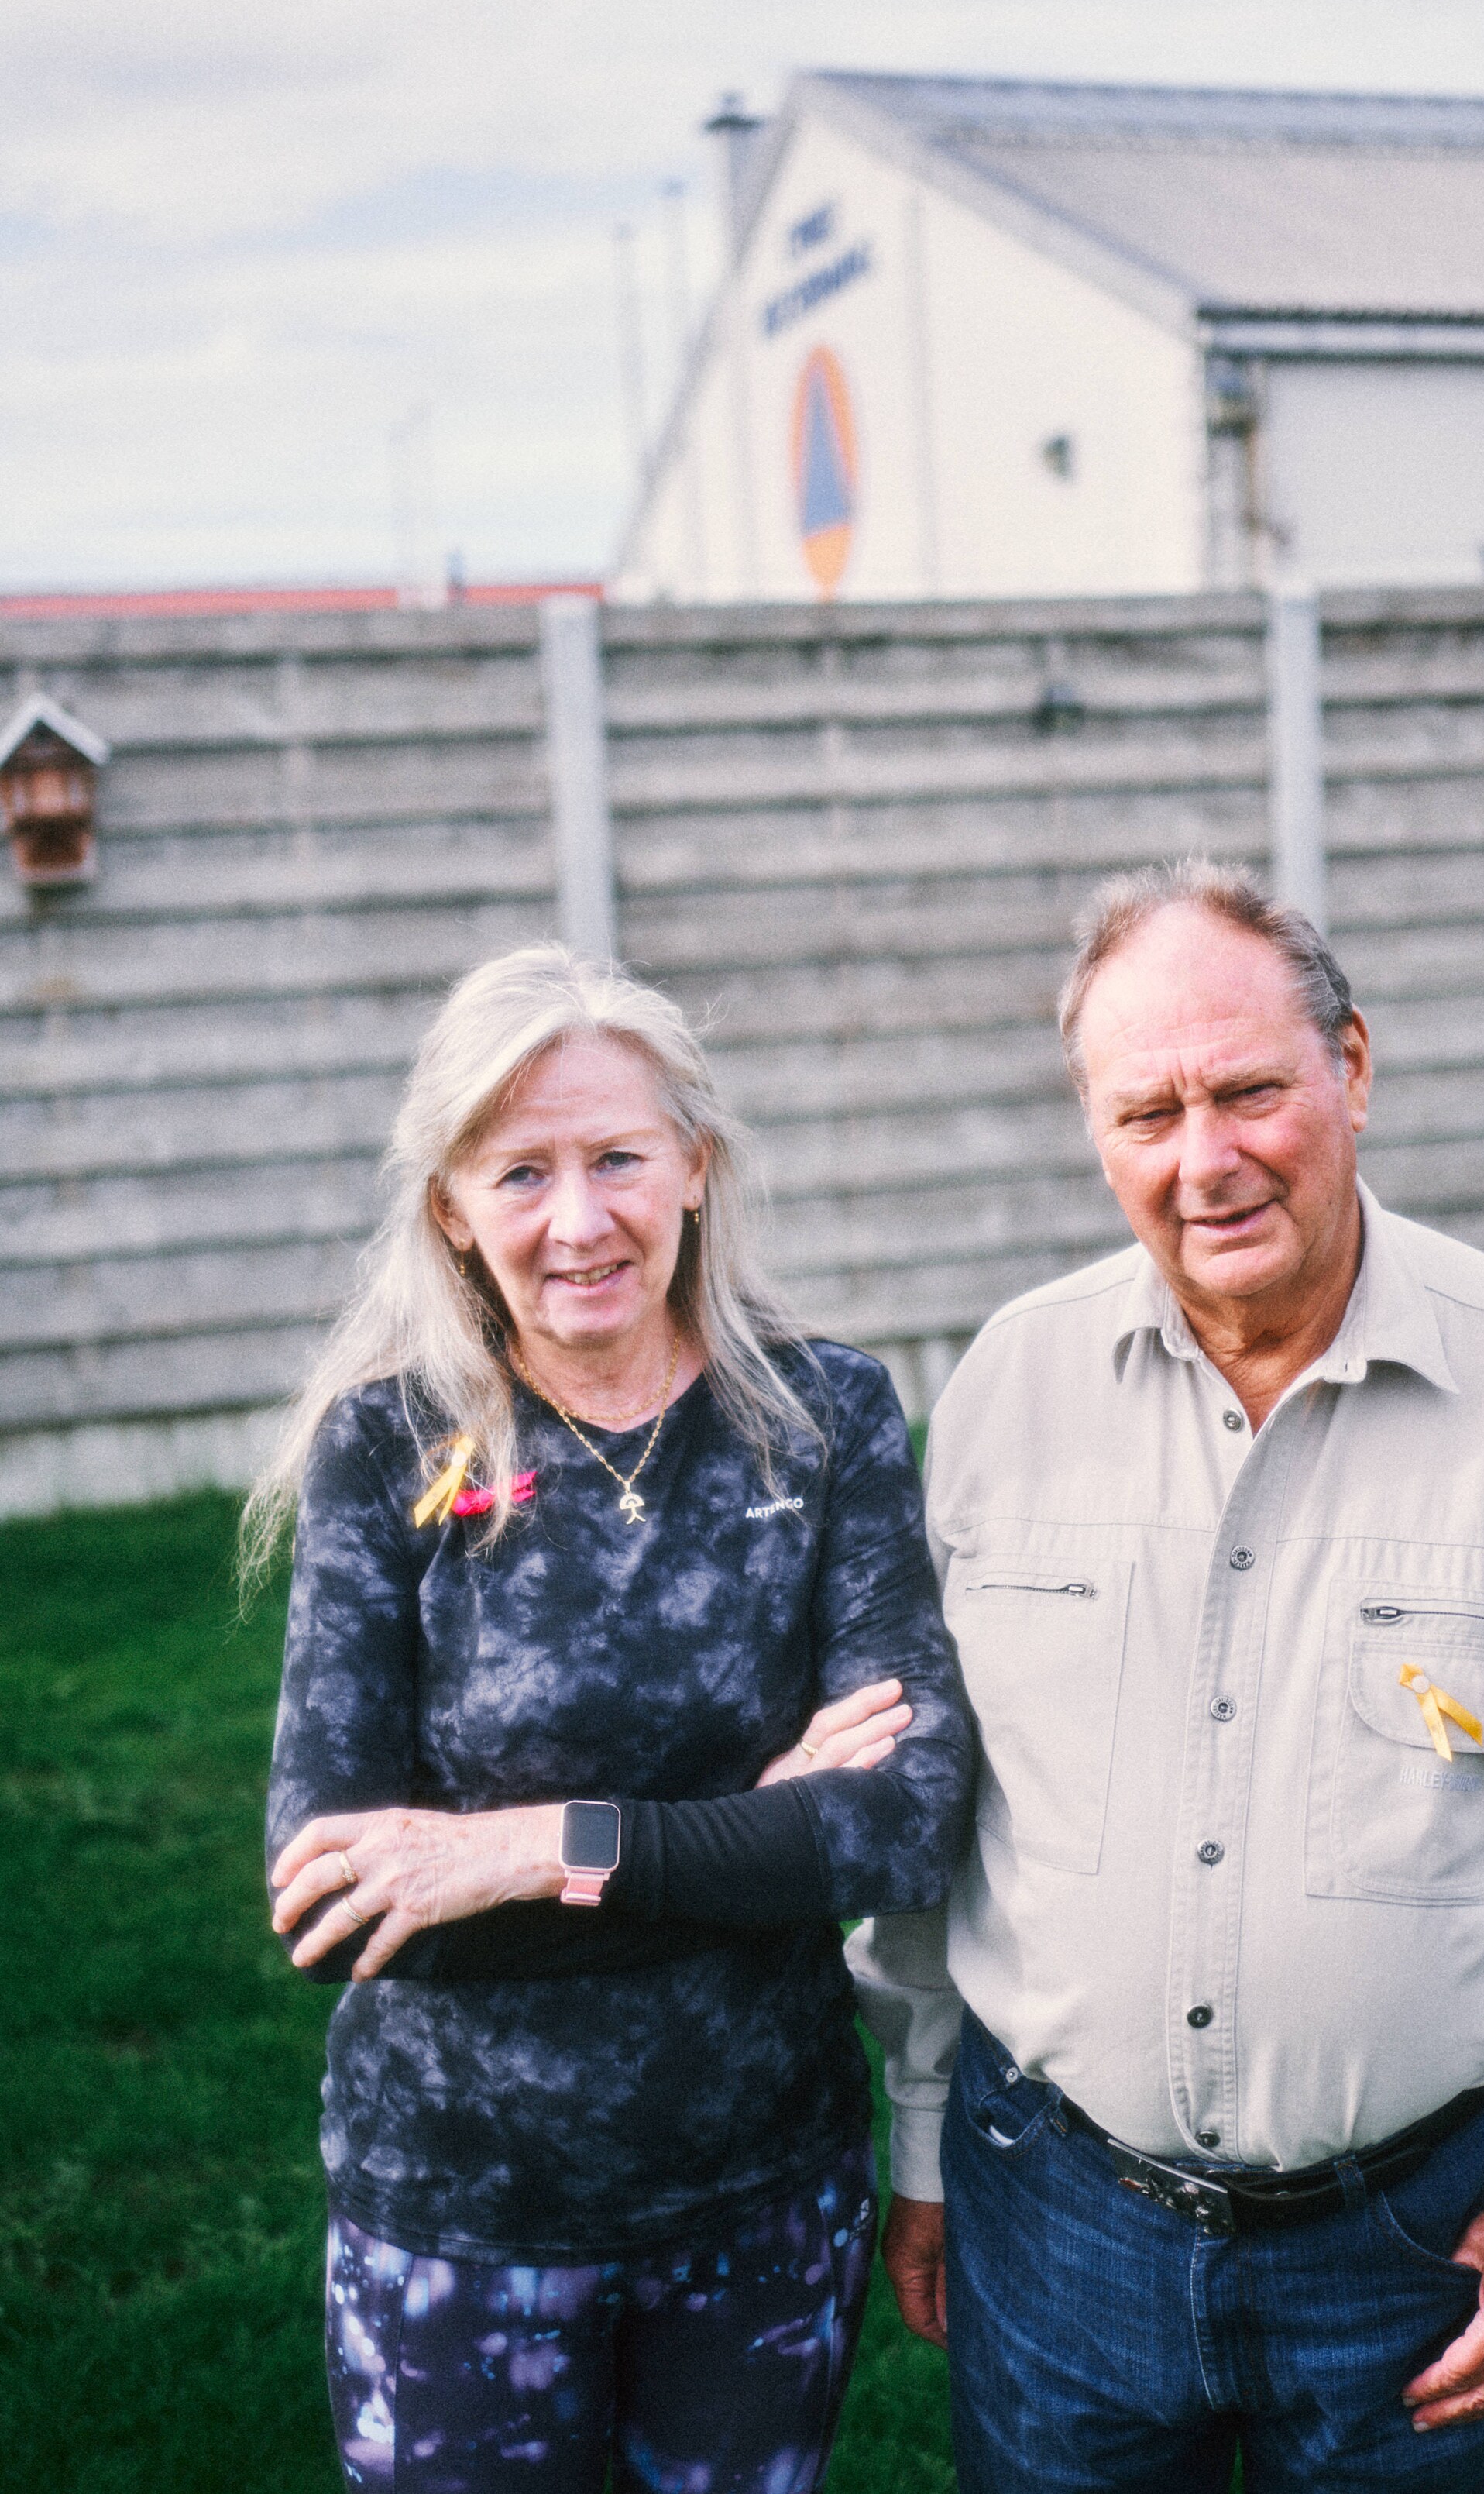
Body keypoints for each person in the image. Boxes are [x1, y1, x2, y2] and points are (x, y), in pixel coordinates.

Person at [849, 858, 1484, 2493]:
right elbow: (935, 1829)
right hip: (1055, 2220)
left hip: (1414, 2251)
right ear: (1092, 1129)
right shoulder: (1008, 1386)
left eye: (1249, 1091)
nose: (1204, 1159)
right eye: (1146, 1113)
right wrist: (924, 2137)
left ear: (1351, 1067)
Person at [252, 944, 972, 2494]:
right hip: (460, 2222)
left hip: (761, 2199)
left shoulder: (826, 1412)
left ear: (695, 1167)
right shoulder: (390, 1451)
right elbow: (327, 1906)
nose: (578, 1221)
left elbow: (904, 1819)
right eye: (522, 1170)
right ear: (453, 1202)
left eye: (618, 1158)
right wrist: (751, 1837)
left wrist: (509, 1849)